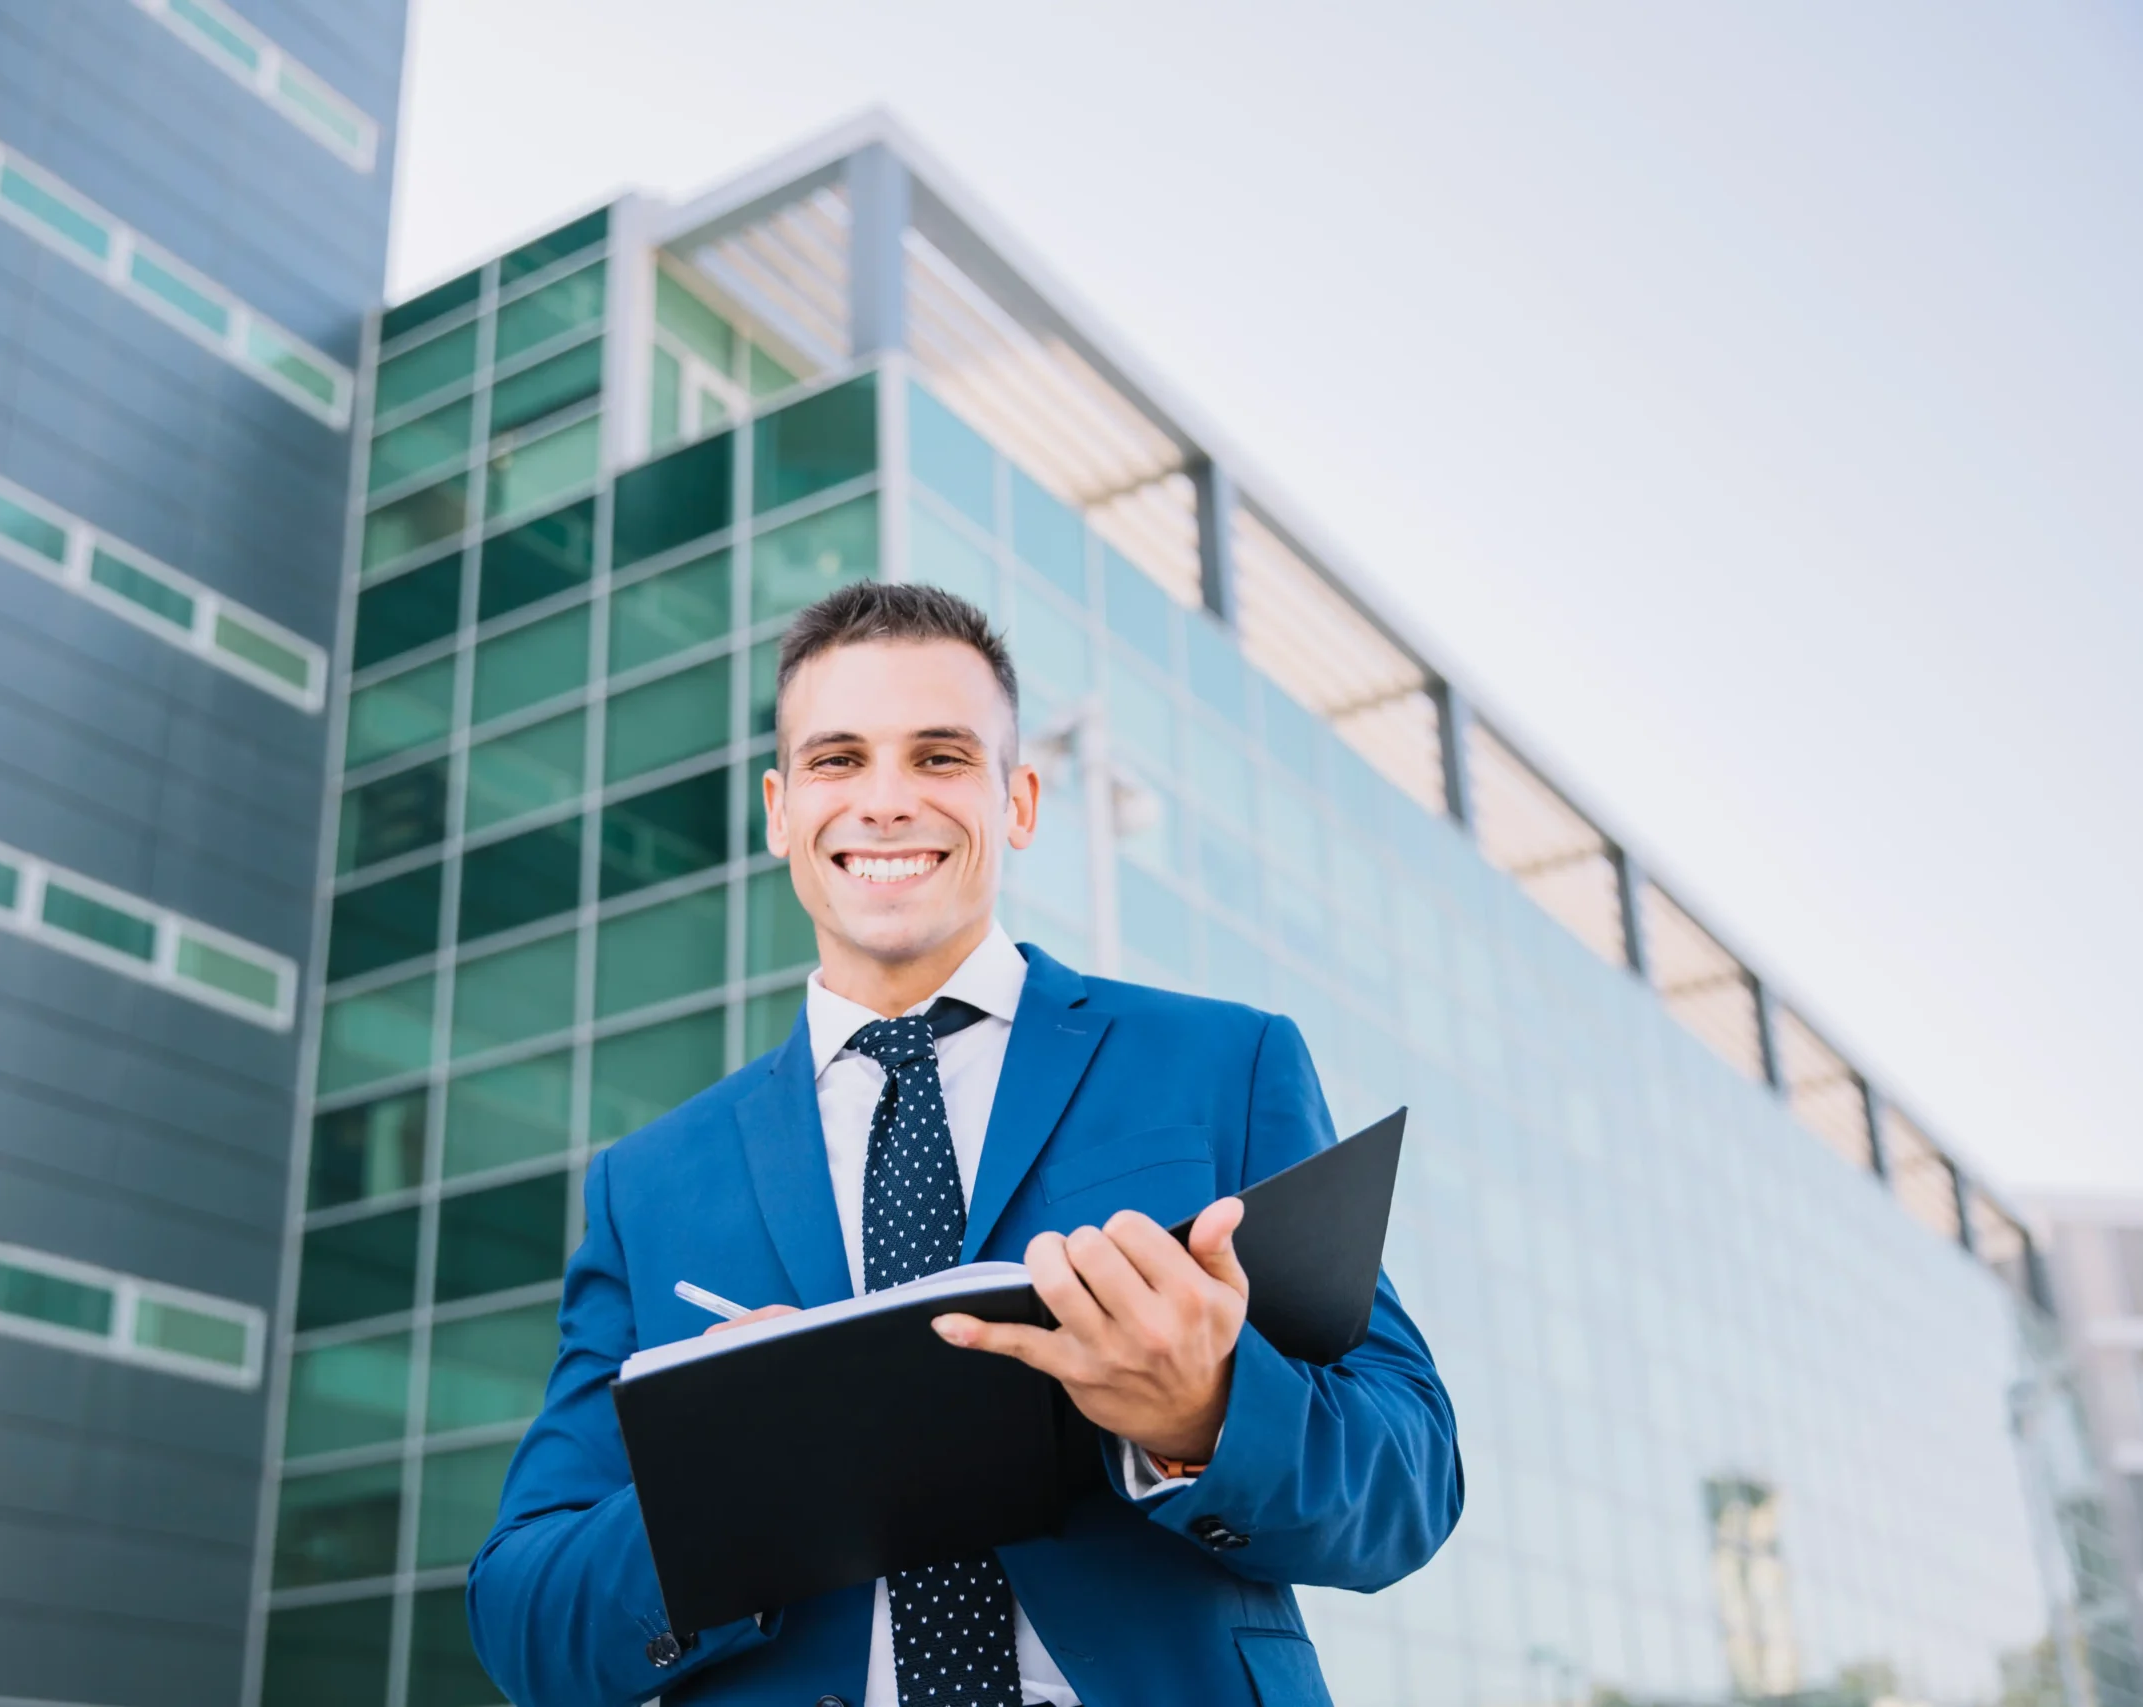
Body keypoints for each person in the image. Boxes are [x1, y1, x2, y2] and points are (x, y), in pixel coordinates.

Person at [467, 581, 1461, 1706]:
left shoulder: (1218, 1068)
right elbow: (522, 1623)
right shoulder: (647, 1188)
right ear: (779, 810)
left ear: (1020, 800)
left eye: (938, 758)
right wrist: (728, 1486)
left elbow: (1412, 1478)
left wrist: (1207, 1411)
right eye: (838, 761)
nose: (886, 803)